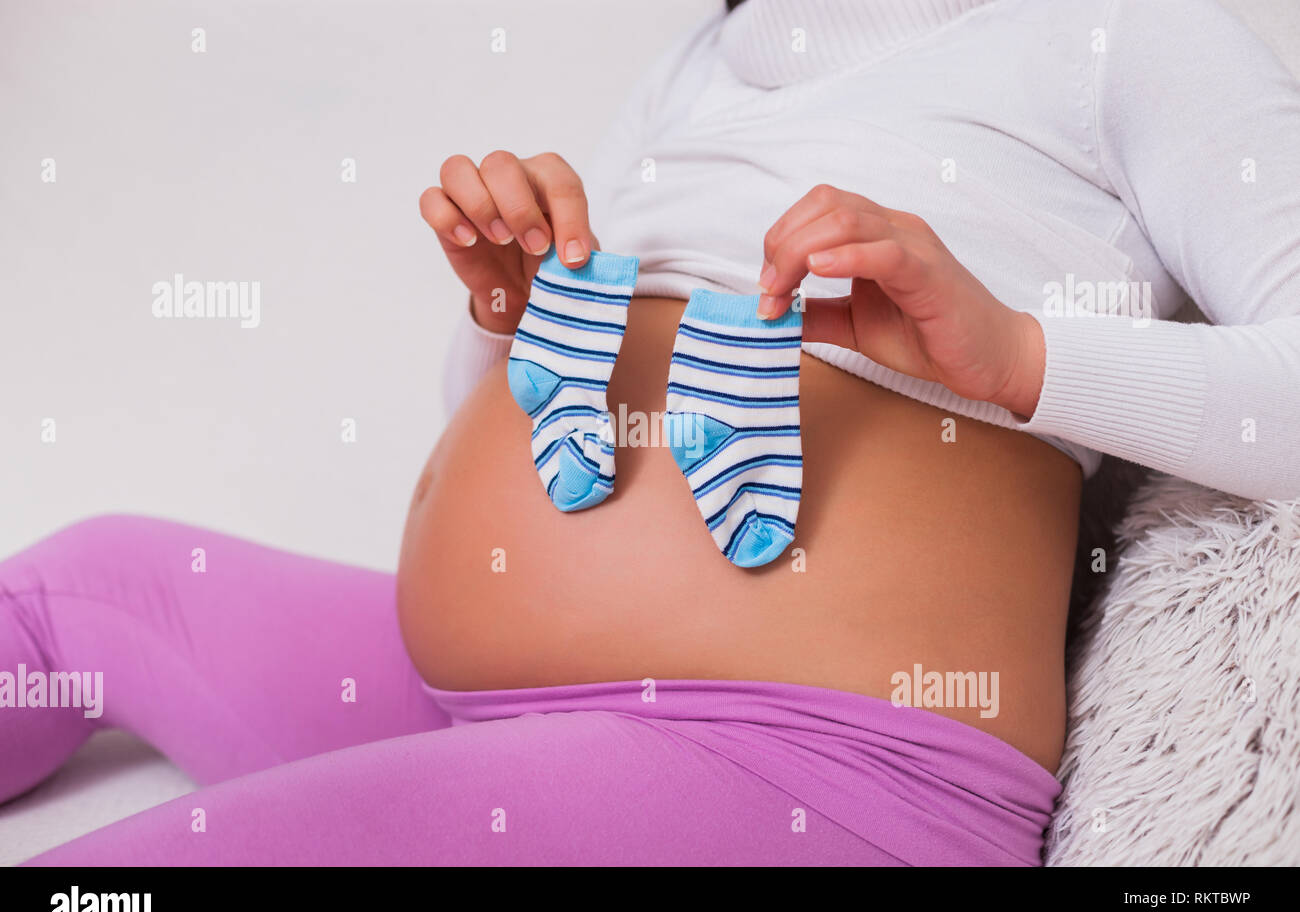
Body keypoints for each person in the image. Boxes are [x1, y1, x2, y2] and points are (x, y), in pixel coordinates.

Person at [5, 0, 1298, 866]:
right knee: (87, 590)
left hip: (809, 760)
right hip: (477, 691)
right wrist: (514, 311)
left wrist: (1018, 356)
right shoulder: (710, 53)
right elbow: (485, 411)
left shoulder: (1139, 38)